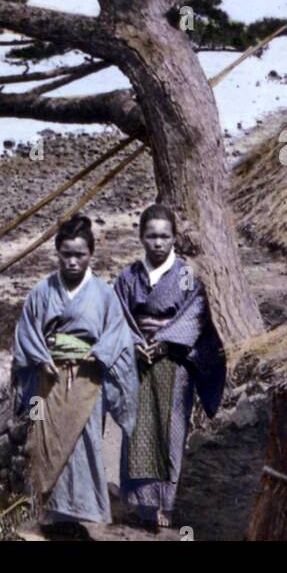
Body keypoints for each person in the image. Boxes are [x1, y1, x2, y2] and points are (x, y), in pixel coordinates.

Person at [12, 214, 138, 534]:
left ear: (91, 254)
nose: (72, 261)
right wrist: (40, 358)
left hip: (87, 381)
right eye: (66, 253)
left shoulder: (103, 294)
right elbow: (26, 330)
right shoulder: (42, 291)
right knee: (46, 442)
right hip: (51, 378)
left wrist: (100, 354)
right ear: (57, 252)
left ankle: (78, 516)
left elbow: (118, 334)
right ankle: (53, 516)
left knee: (84, 445)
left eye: (79, 254)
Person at [114, 204, 226, 530]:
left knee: (171, 431)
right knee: (137, 430)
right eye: (151, 236)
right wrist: (135, 343)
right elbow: (117, 314)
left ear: (174, 238)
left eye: (164, 236)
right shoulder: (128, 276)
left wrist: (165, 341)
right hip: (138, 359)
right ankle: (139, 504)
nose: (158, 243)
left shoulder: (188, 275)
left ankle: (166, 504)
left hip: (175, 361)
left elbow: (197, 313)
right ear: (141, 237)